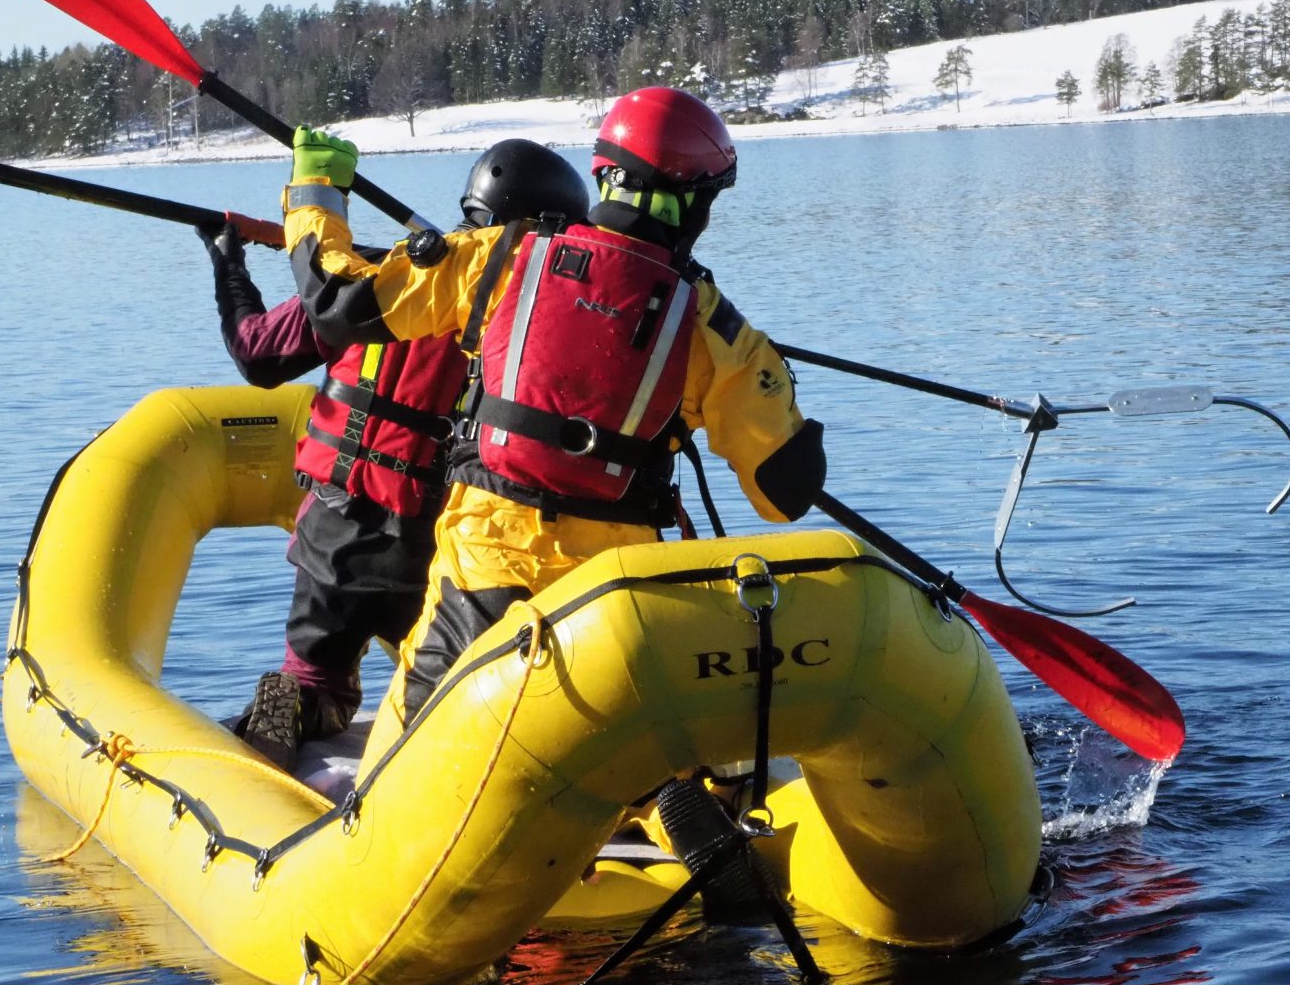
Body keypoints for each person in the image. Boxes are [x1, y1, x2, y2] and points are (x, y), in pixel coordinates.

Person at [279, 87, 828, 759]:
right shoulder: (712, 324)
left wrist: (314, 195)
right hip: (613, 593)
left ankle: (312, 761)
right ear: (692, 201)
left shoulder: (494, 257)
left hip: (474, 575)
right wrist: (769, 382)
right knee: (629, 751)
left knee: (387, 755)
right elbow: (784, 493)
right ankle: (674, 809)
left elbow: (331, 305)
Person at [201, 138, 591, 769]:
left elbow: (257, 353)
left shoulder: (377, 283)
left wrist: (228, 264)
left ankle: (298, 700)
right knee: (454, 689)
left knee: (315, 675)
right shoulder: (532, 317)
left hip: (334, 533)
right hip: (436, 548)